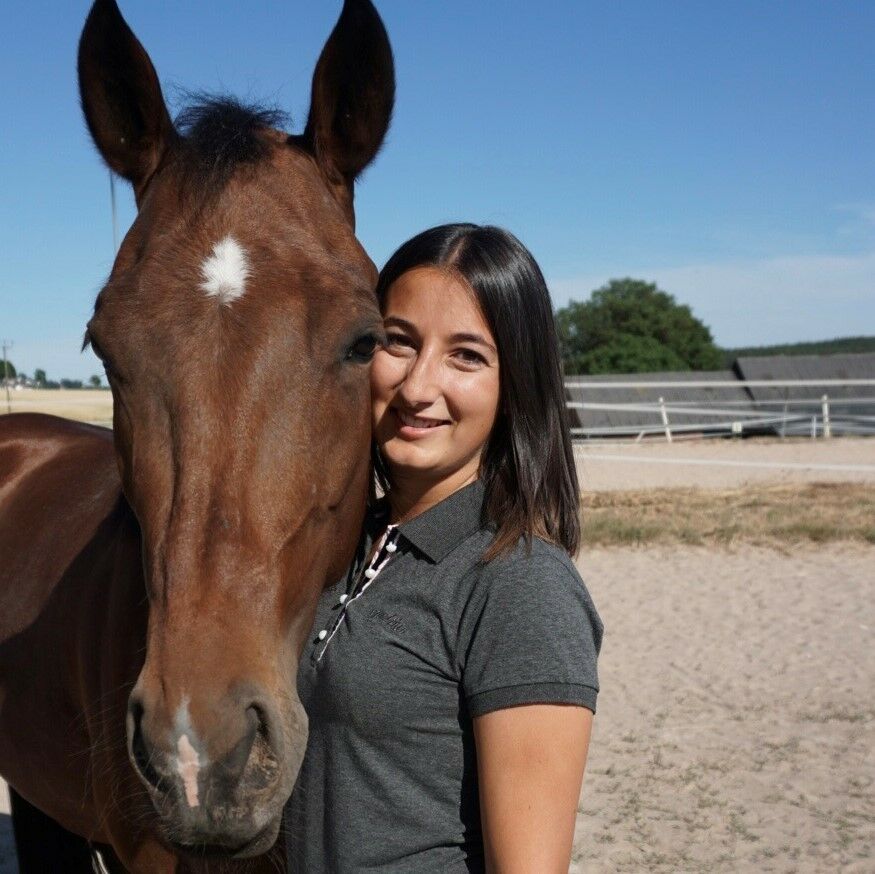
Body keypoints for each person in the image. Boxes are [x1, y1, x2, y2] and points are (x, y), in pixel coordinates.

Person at [285, 223, 603, 873]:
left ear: (514, 385)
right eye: (398, 341)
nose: (417, 387)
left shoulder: (520, 584)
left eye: (466, 356)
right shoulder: (339, 546)